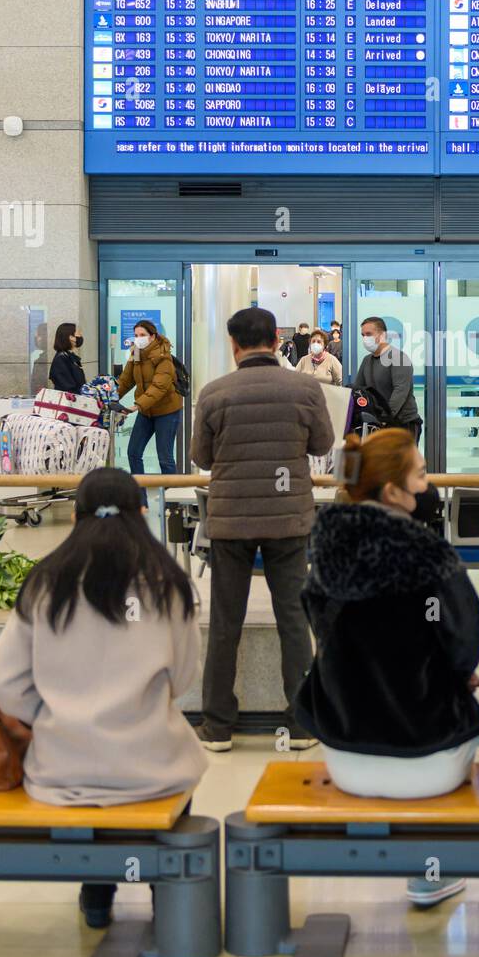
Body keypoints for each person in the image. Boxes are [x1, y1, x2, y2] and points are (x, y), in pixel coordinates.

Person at [0, 467, 206, 929]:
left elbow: (6, 684)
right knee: (182, 777)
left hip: (63, 769)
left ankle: (97, 891)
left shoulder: (46, 585)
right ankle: (161, 887)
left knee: (92, 802)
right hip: (154, 767)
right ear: (142, 513)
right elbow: (185, 675)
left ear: (74, 517)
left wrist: (53, 715)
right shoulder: (168, 586)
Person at [294, 428, 479, 907]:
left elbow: (320, 626)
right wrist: (459, 673)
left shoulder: (324, 552)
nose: (428, 487)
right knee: (466, 694)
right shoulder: (430, 555)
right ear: (393, 492)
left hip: (343, 752)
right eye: (420, 476)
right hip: (427, 760)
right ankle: (428, 872)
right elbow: (464, 642)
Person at [190, 307, 333, 751]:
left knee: (225, 621)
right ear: (276, 341)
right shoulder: (305, 387)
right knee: (293, 618)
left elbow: (202, 457)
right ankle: (303, 722)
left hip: (230, 519)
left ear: (234, 346)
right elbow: (323, 445)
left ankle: (216, 727)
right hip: (288, 518)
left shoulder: (214, 393)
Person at [116, 320, 182, 505]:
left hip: (167, 411)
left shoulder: (164, 357)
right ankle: (140, 500)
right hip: (147, 412)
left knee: (165, 458)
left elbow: (159, 387)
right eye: (136, 336)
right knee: (133, 452)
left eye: (142, 335)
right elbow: (126, 380)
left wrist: (136, 406)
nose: (139, 339)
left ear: (152, 336)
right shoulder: (136, 353)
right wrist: (111, 396)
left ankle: (172, 504)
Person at [353, 316, 421, 442]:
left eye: (369, 334)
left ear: (382, 335)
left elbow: (400, 391)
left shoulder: (399, 358)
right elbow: (358, 389)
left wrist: (384, 418)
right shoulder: (367, 361)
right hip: (379, 424)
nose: (365, 338)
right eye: (362, 335)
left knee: (402, 462)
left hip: (403, 424)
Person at [48, 322, 85, 393]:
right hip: (70, 401)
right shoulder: (61, 359)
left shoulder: (69, 356)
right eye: (78, 334)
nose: (80, 336)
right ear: (71, 337)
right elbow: (67, 386)